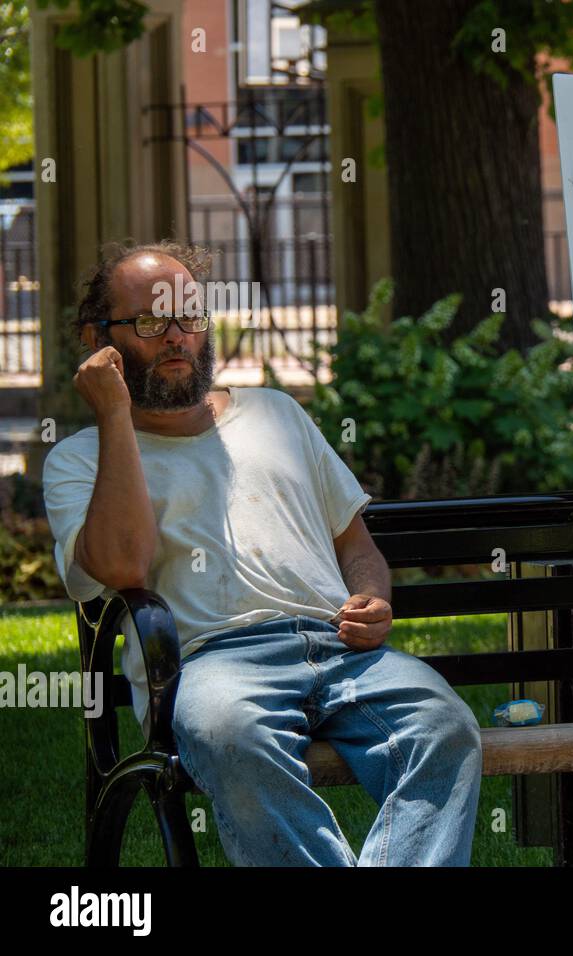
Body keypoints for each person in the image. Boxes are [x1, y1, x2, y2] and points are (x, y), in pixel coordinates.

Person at [42, 240, 482, 866]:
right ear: (98, 339)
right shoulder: (80, 459)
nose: (177, 337)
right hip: (210, 665)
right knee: (231, 735)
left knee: (444, 727)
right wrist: (116, 414)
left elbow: (356, 547)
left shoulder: (276, 412)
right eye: (149, 321)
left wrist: (374, 597)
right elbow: (121, 568)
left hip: (340, 648)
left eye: (190, 316)